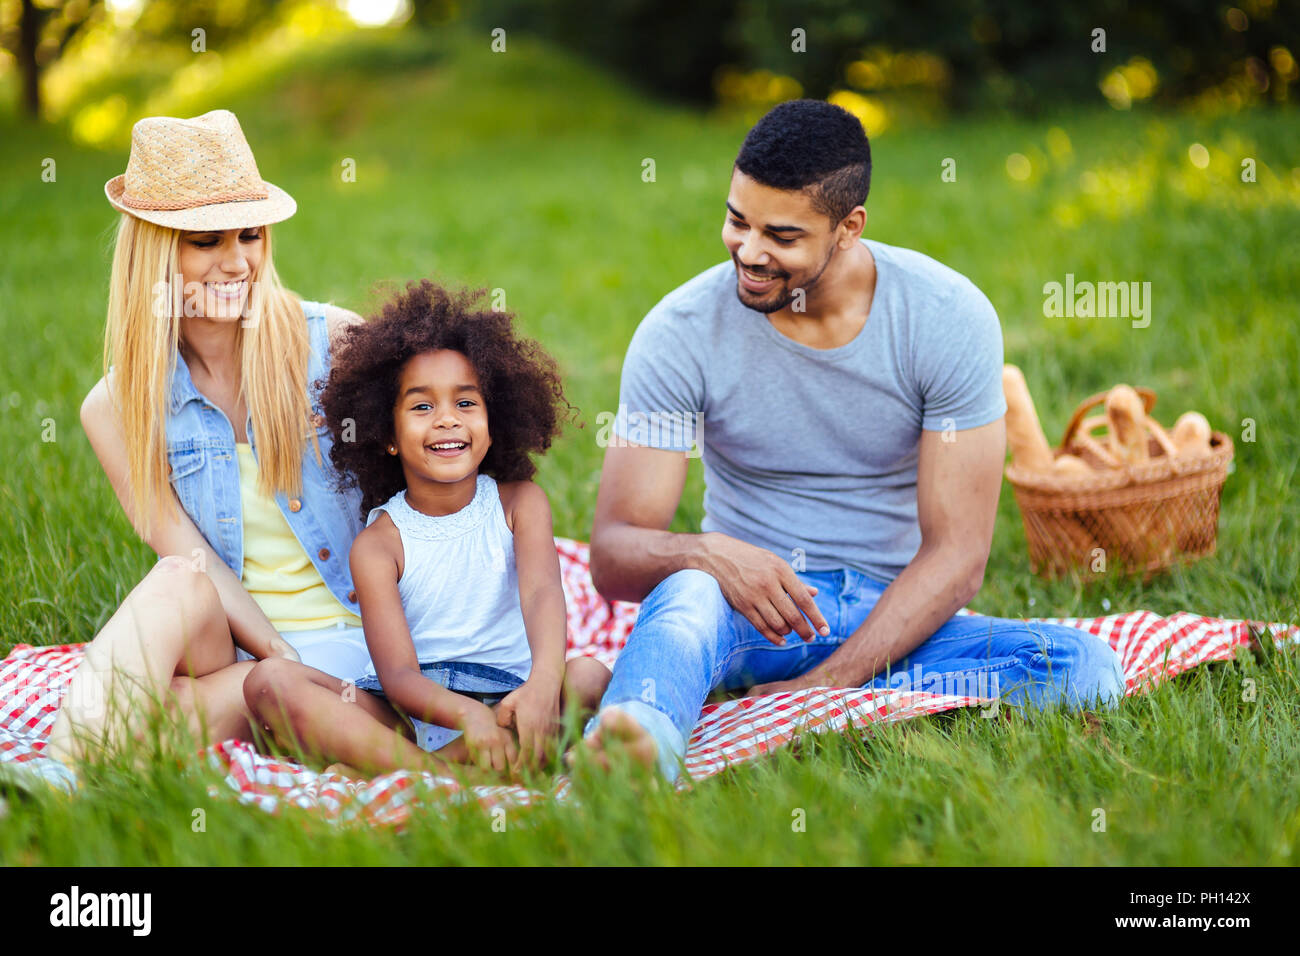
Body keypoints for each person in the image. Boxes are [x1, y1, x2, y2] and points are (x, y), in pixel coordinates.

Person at [580, 99, 1127, 782]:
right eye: (736, 220)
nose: (748, 252)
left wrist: (828, 684)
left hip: (894, 619)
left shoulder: (947, 318)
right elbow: (613, 555)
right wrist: (712, 555)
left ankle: (849, 700)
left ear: (848, 228)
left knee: (1085, 668)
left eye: (781, 235)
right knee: (685, 594)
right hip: (744, 614)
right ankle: (635, 752)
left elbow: (958, 556)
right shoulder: (680, 333)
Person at [44, 109, 388, 773]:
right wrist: (276, 658)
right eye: (206, 241)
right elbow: (187, 553)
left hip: (362, 644)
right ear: (154, 249)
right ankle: (60, 778)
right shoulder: (116, 407)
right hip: (242, 650)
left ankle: (55, 785)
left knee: (152, 724)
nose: (237, 263)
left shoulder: (336, 346)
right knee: (178, 577)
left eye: (251, 235)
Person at [242, 280, 611, 776]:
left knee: (588, 674)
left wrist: (544, 684)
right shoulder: (378, 543)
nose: (446, 421)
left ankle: (415, 772)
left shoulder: (521, 504)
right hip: (415, 714)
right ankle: (446, 772)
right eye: (421, 406)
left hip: (514, 698)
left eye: (465, 403)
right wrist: (466, 715)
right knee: (269, 683)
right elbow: (396, 674)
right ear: (387, 434)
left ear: (492, 418)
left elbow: (544, 595)